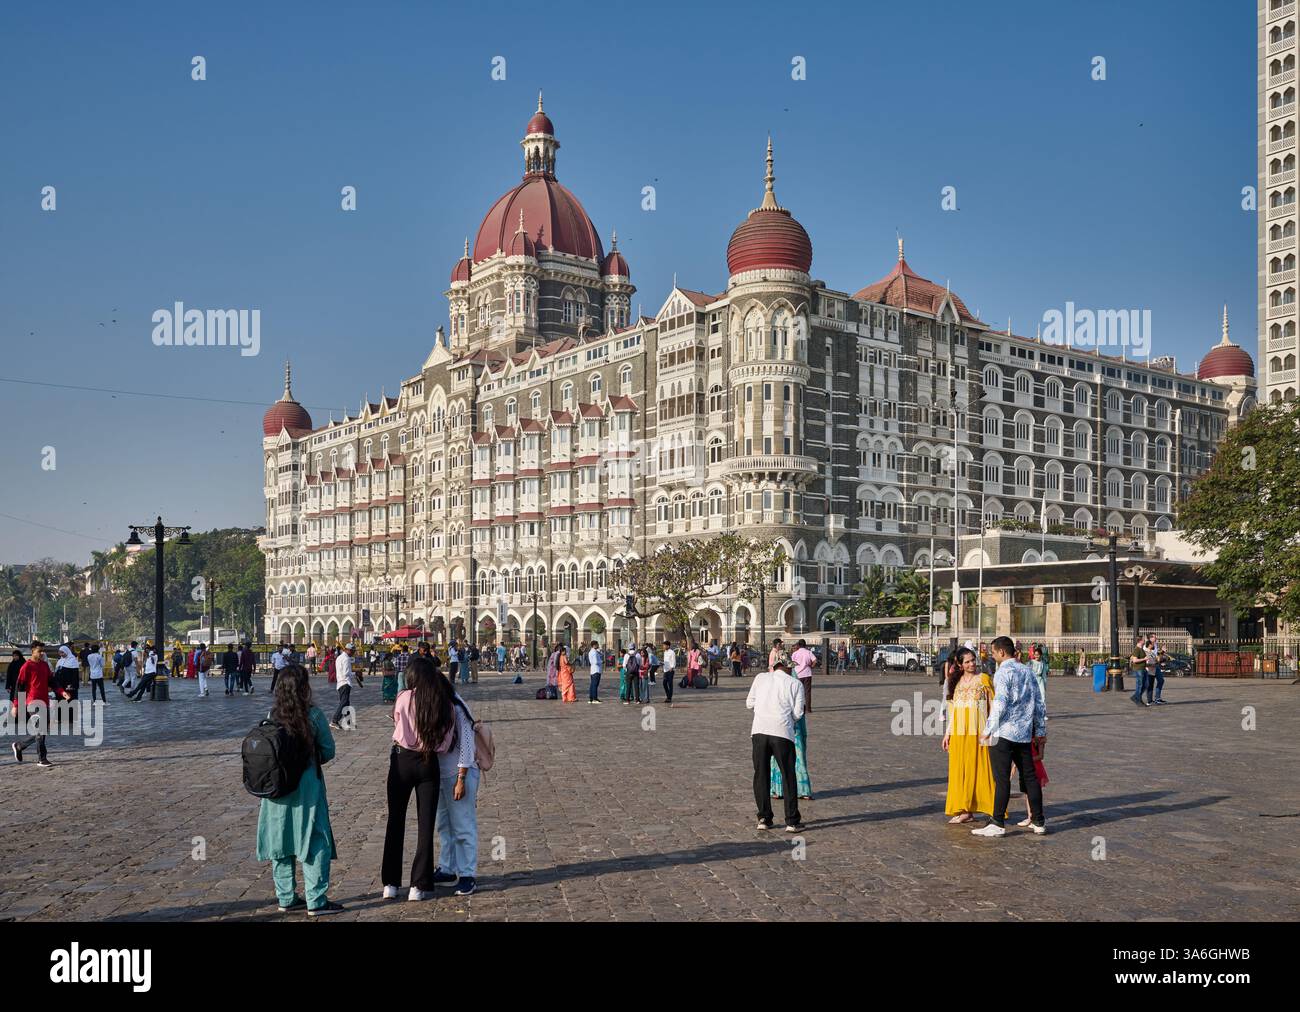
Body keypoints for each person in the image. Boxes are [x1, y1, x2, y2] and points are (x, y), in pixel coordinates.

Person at [255, 663, 342, 915]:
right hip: (307, 788)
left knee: (280, 840)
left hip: (277, 789)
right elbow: (329, 750)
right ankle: (316, 899)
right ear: (304, 688)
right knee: (314, 839)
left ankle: (285, 897)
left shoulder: (272, 716)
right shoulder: (312, 715)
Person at [382, 655, 456, 901]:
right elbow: (445, 743)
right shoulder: (442, 702)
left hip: (402, 760)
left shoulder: (403, 697)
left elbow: (397, 722)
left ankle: (391, 884)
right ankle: (418, 885)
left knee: (395, 821)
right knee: (425, 826)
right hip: (428, 762)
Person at [972, 636, 1047, 837]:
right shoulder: (1028, 671)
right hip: (1023, 734)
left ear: (1002, 652)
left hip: (1003, 733)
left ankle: (997, 822)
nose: (992, 655)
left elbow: (1000, 703)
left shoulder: (1003, 672)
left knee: (1002, 778)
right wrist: (1040, 733)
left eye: (993, 652)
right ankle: (1039, 821)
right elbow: (1039, 703)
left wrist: (988, 730)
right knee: (1030, 777)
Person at [433, 682, 482, 896]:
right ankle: (447, 867)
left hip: (460, 772)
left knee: (463, 824)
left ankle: (467, 873)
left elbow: (466, 747)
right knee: (444, 824)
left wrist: (461, 778)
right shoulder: (435, 707)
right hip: (441, 774)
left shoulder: (457, 709)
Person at [746, 657, 805, 832]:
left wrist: (764, 707)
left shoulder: (760, 678)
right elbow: (797, 713)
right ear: (788, 668)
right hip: (782, 732)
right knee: (788, 775)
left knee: (761, 775)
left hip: (759, 731)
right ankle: (791, 820)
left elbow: (749, 703)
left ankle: (764, 817)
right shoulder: (795, 684)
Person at [942, 646, 995, 824]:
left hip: (978, 731)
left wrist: (990, 730)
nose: (972, 663)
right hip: (959, 733)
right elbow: (953, 711)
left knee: (980, 769)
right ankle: (965, 810)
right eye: (968, 661)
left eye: (973, 660)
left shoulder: (983, 679)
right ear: (960, 664)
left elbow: (993, 706)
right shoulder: (954, 682)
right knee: (960, 771)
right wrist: (947, 733)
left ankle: (991, 808)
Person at [770, 649, 812, 803]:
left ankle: (777, 788)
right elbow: (800, 708)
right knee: (798, 756)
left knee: (776, 757)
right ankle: (802, 789)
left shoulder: (771, 680)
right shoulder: (794, 680)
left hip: (777, 724)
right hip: (793, 724)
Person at [13, 641, 55, 766]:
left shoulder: (44, 665)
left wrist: (60, 690)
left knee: (42, 730)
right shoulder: (26, 666)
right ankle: (42, 759)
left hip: (45, 701)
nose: (42, 653)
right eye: (39, 651)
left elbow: (51, 681)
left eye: (43, 651)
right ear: (32, 651)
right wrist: (16, 705)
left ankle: (20, 746)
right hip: (32, 702)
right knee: (41, 729)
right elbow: (19, 686)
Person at [330, 644, 356, 730]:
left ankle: (348, 723)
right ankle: (335, 720)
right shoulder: (346, 659)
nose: (353, 653)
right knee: (344, 702)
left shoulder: (339, 657)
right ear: (347, 650)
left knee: (346, 703)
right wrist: (355, 673)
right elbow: (346, 673)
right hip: (345, 683)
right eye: (352, 651)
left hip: (340, 683)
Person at [790, 638, 816, 713]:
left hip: (798, 674)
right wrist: (811, 666)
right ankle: (808, 708)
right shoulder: (809, 652)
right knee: (807, 692)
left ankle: (799, 708)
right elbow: (815, 660)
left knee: (798, 691)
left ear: (798, 645)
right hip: (807, 673)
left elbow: (792, 663)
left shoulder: (795, 653)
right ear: (805, 645)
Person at [1129, 642, 1151, 707]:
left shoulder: (1142, 650)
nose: (1145, 641)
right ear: (1140, 641)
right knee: (1140, 685)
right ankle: (1138, 699)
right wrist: (1144, 659)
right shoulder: (1137, 649)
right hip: (1139, 669)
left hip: (1143, 669)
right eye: (1143, 640)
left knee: (1146, 684)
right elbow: (1134, 660)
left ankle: (1135, 697)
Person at [1145, 638, 1166, 704]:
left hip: (1154, 669)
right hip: (1149, 670)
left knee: (1158, 681)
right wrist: (1151, 664)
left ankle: (1155, 699)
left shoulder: (1152, 652)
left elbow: (1158, 659)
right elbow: (1144, 662)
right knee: (1149, 685)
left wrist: (1162, 652)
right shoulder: (1145, 651)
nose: (1154, 645)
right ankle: (1149, 700)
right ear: (1149, 645)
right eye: (1153, 644)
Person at [586, 640, 603, 704]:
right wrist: (601, 662)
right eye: (597, 644)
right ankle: (594, 698)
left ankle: (591, 698)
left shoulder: (591, 652)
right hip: (596, 670)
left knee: (592, 685)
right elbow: (595, 661)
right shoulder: (594, 652)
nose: (598, 645)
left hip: (593, 670)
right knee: (595, 685)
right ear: (594, 645)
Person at [661, 639, 676, 707]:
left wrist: (672, 667)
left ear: (668, 646)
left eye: (664, 645)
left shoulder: (672, 652)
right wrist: (662, 663)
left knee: (670, 684)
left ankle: (669, 698)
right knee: (664, 683)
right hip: (665, 669)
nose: (663, 646)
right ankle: (668, 695)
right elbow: (666, 661)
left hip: (670, 670)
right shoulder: (665, 652)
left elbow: (673, 660)